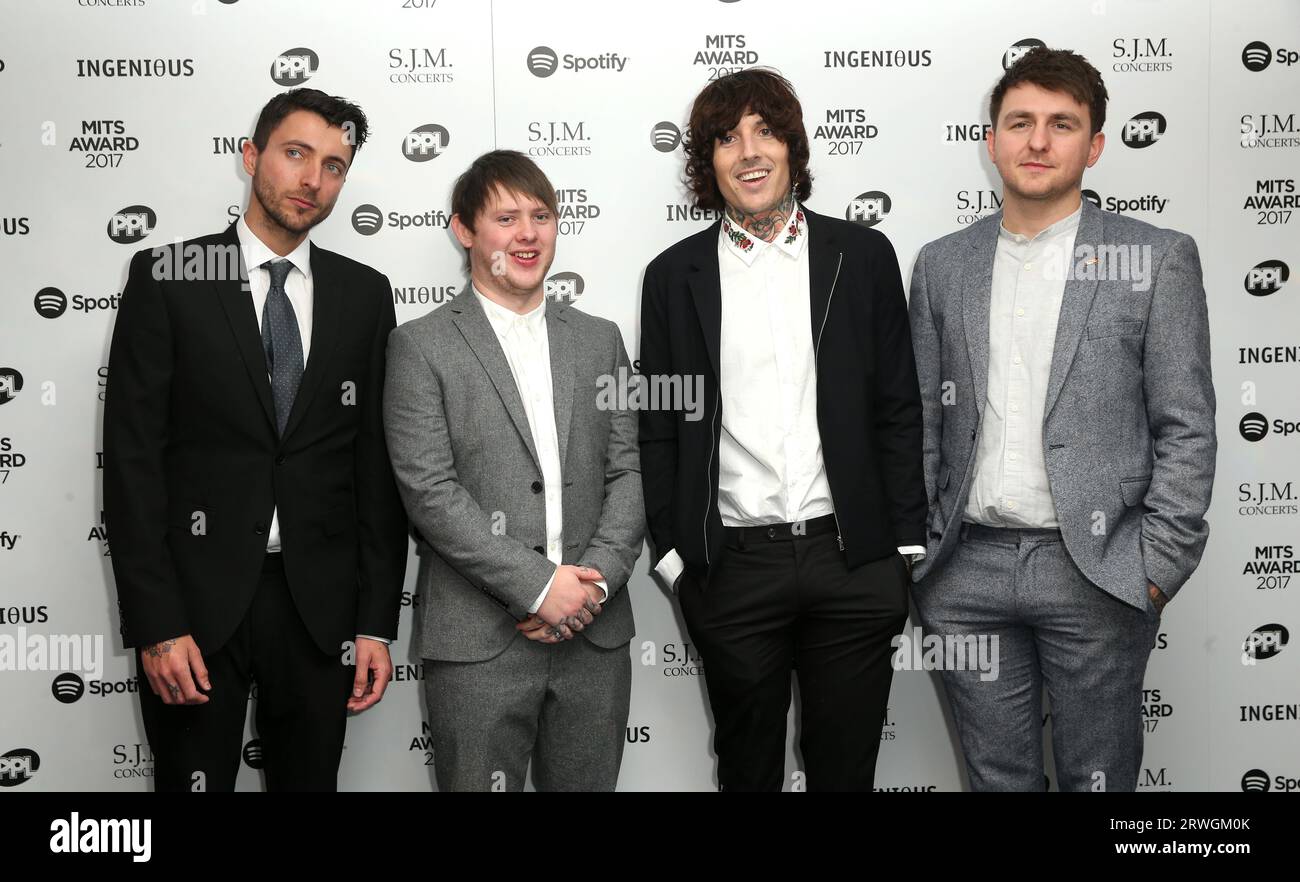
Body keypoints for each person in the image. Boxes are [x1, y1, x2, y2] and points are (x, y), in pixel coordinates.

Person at [908, 47, 1216, 791]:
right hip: (965, 575)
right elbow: (920, 417)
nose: (1037, 142)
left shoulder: (1154, 258)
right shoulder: (943, 264)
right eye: (1019, 123)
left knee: (1099, 782)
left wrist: (1153, 567)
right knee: (998, 782)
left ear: (1095, 144)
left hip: (1100, 574)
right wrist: (921, 557)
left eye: (1061, 124)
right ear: (992, 141)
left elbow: (1188, 424)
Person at [103, 88, 408, 792]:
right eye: (296, 154)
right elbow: (133, 464)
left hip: (316, 612)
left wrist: (375, 623)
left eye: (334, 165)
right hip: (193, 610)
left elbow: (375, 470)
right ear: (251, 156)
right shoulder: (167, 276)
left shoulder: (365, 294)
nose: (312, 180)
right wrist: (156, 623)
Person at [638, 69, 926, 791]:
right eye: (728, 138)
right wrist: (675, 557)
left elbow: (898, 403)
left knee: (844, 773)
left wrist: (901, 548)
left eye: (766, 130)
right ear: (708, 163)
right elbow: (661, 428)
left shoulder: (862, 257)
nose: (750, 152)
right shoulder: (674, 276)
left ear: (794, 148)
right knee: (747, 773)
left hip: (852, 561)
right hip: (733, 569)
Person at [384, 150, 644, 792]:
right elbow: (430, 493)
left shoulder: (600, 339)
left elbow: (630, 471)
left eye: (541, 215)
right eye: (506, 217)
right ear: (464, 230)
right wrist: (538, 587)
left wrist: (593, 588)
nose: (528, 234)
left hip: (595, 637)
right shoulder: (419, 345)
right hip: (478, 642)